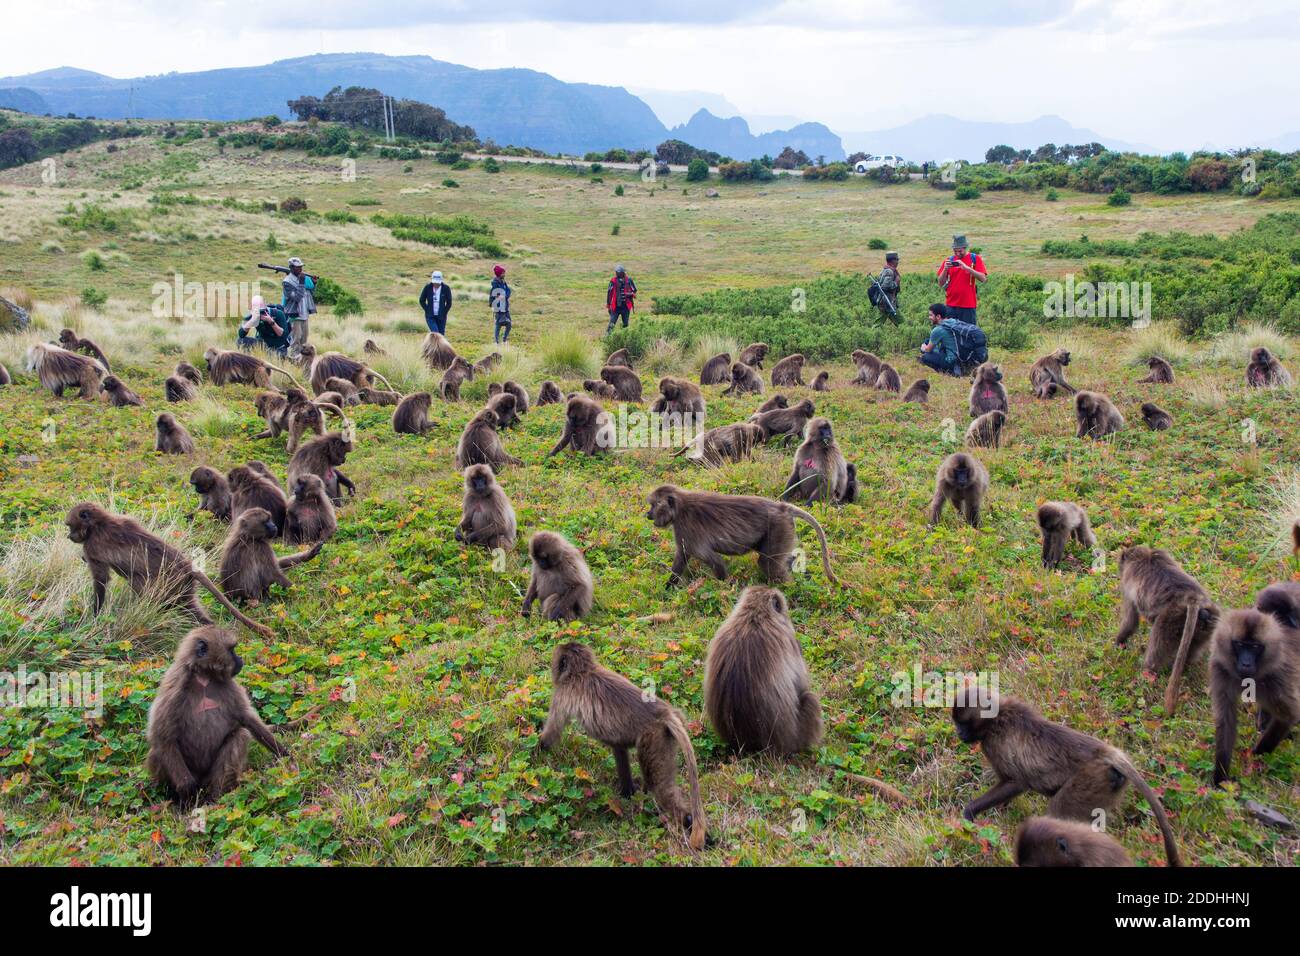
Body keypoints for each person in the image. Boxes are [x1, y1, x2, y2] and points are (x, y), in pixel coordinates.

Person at [936, 234, 987, 325]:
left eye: (960, 251)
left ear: (965, 248)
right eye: (955, 251)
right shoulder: (949, 260)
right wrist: (945, 269)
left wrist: (967, 268)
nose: (957, 254)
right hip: (951, 306)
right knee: (951, 334)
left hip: (968, 306)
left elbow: (983, 278)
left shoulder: (975, 259)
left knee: (968, 335)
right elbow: (940, 283)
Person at [281, 256, 317, 357]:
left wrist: (314, 284)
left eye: (301, 266)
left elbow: (309, 294)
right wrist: (301, 283)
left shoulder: (302, 278)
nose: (300, 269)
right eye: (297, 267)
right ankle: (293, 361)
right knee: (295, 342)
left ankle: (302, 363)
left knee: (304, 342)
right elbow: (297, 298)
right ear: (291, 268)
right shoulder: (287, 282)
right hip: (295, 316)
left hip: (304, 314)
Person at [919, 303, 962, 376]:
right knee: (928, 340)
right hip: (959, 357)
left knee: (925, 357)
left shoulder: (938, 330)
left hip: (950, 361)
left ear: (938, 316)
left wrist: (923, 348)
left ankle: (948, 371)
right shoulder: (953, 321)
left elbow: (927, 350)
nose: (929, 317)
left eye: (931, 315)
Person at [605, 264, 636, 336]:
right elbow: (609, 292)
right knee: (612, 323)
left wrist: (630, 294)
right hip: (615, 307)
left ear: (622, 272)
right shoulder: (613, 281)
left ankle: (625, 337)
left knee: (625, 324)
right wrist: (608, 304)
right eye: (616, 272)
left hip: (626, 307)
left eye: (618, 272)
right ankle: (607, 337)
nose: (617, 273)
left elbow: (634, 290)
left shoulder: (629, 280)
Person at [419, 270, 453, 335]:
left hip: (441, 317)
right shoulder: (427, 287)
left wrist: (444, 312)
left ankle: (438, 345)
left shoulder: (446, 288)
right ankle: (433, 345)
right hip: (430, 316)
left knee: (441, 335)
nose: (436, 284)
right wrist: (427, 310)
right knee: (436, 333)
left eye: (438, 283)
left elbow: (449, 303)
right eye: (435, 282)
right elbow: (421, 300)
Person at [874, 252, 901, 321]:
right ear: (893, 261)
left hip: (885, 301)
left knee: (880, 321)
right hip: (887, 302)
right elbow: (885, 287)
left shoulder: (886, 270)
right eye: (897, 259)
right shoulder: (889, 272)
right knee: (900, 322)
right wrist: (896, 282)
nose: (898, 262)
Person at [489, 264, 511, 344]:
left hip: (505, 306)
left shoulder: (503, 282)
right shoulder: (495, 283)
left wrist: (505, 296)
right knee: (498, 324)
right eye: (503, 273)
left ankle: (504, 339)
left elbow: (508, 291)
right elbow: (495, 293)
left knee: (509, 324)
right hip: (498, 306)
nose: (504, 274)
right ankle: (497, 341)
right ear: (499, 274)